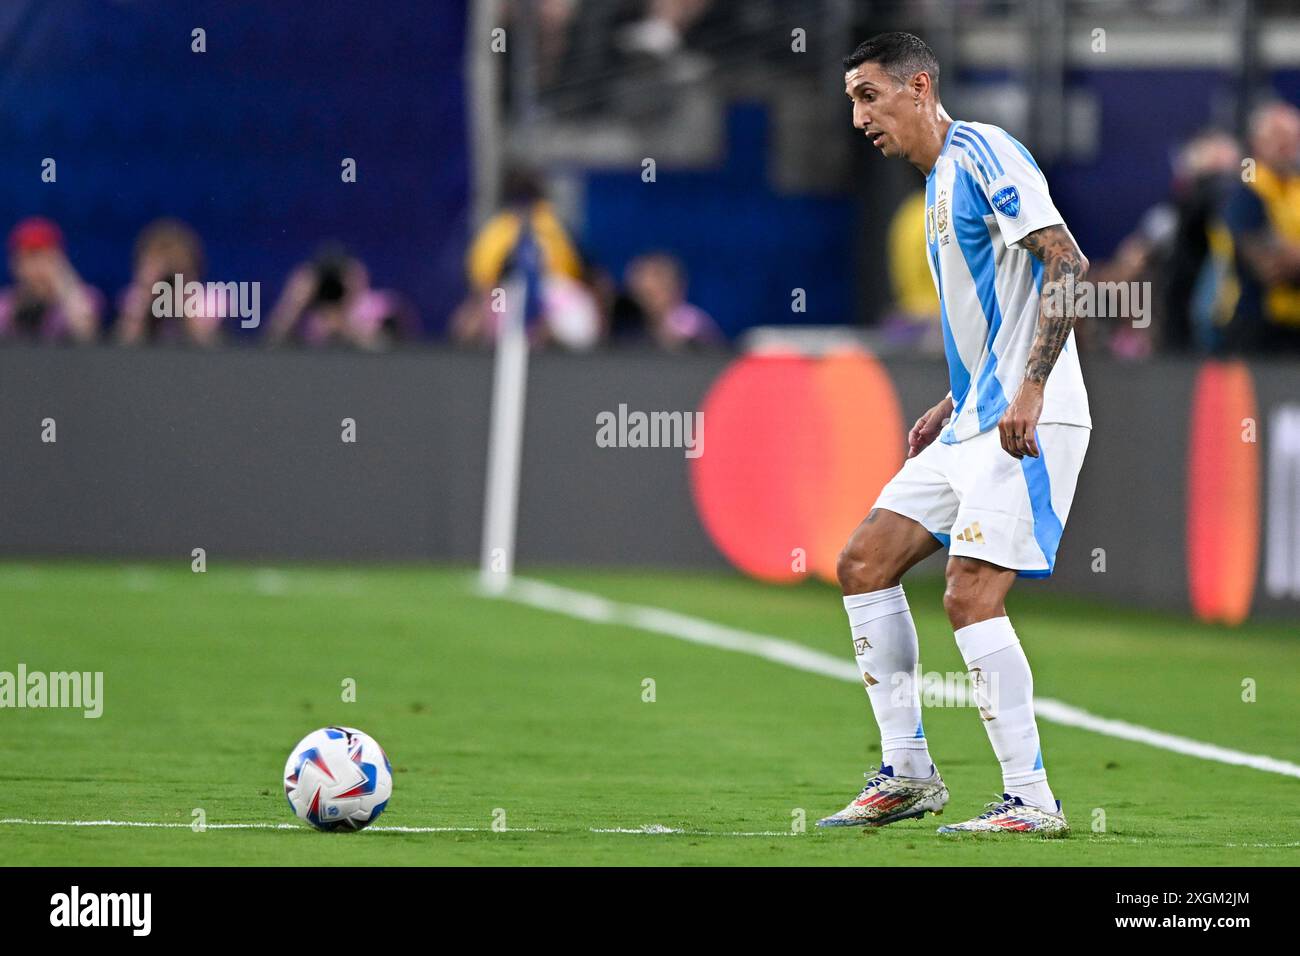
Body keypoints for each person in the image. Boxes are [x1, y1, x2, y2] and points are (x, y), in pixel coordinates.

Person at [819, 33, 1092, 837]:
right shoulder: (936, 184)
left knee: (970, 594)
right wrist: (955, 396)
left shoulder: (982, 152)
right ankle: (906, 772)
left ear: (919, 85)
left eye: (869, 96)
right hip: (976, 417)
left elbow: (1069, 264)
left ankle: (1032, 799)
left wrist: (1032, 385)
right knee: (864, 563)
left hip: (1029, 418)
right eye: (852, 102)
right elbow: (998, 308)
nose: (860, 117)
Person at [1212, 101, 1300, 354]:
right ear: (1256, 143)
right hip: (1255, 330)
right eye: (1278, 138)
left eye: (1293, 138)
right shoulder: (1245, 190)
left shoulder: (1295, 188)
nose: (1288, 147)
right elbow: (1269, 266)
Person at [116, 218, 221, 346]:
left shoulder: (212, 300)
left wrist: (185, 302)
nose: (168, 281)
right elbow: (123, 347)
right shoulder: (135, 297)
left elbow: (212, 349)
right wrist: (146, 297)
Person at [0, 217, 100, 344]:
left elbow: (87, 337)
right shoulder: (5, 304)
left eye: (44, 258)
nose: (35, 268)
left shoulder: (84, 297)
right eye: (28, 259)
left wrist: (64, 283)